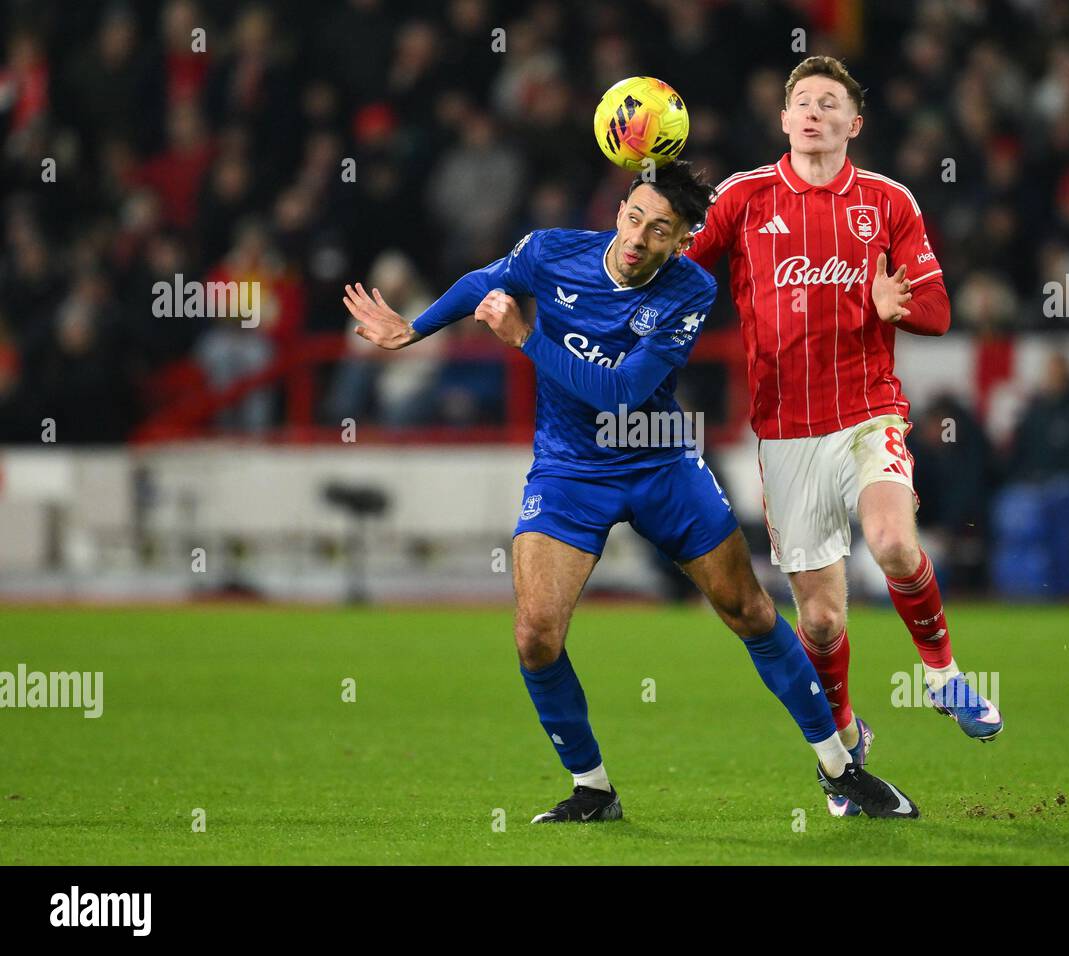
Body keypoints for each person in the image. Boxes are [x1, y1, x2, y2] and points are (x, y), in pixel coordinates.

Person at [343, 161, 919, 823]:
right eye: (634, 216)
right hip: (568, 472)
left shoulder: (689, 290)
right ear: (619, 209)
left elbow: (619, 394)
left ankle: (842, 770)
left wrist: (524, 338)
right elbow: (486, 278)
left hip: (659, 463)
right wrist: (414, 327)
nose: (639, 236)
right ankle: (593, 789)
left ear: (680, 242)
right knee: (535, 635)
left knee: (750, 612)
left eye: (660, 230)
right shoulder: (551, 251)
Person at [687, 56, 1003, 815]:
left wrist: (897, 306)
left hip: (868, 411)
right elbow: (680, 268)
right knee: (821, 621)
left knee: (894, 543)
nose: (813, 112)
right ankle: (844, 739)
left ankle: (942, 675)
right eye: (801, 101)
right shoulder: (743, 198)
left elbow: (937, 310)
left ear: (853, 124)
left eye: (830, 103)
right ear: (784, 118)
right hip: (786, 432)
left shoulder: (887, 203)